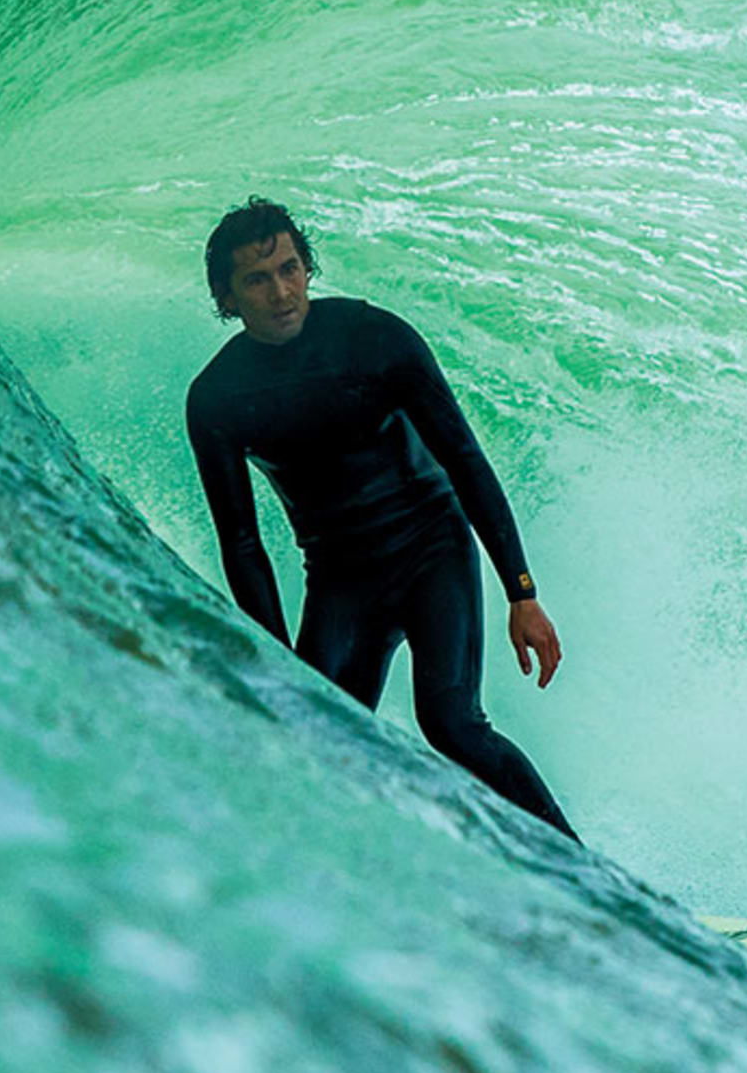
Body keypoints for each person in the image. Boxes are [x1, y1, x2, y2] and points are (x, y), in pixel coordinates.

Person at [183, 197, 576, 835]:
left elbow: (465, 461)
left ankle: (580, 870)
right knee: (312, 740)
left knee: (452, 724)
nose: (281, 292)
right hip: (340, 578)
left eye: (289, 268)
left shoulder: (375, 338)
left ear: (307, 267)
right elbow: (242, 543)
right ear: (227, 298)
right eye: (257, 280)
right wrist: (278, 661)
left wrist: (521, 592)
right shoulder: (216, 398)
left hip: (430, 549)